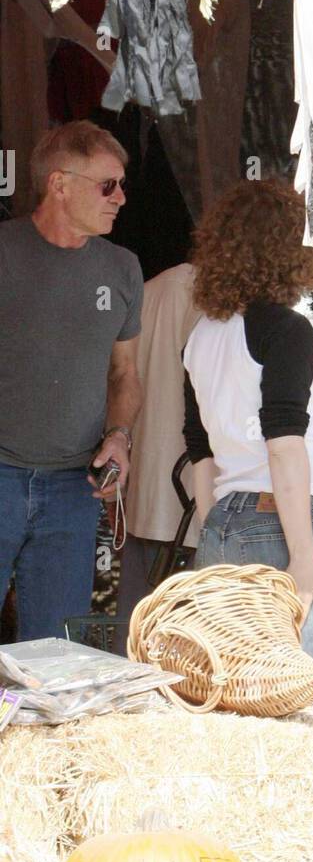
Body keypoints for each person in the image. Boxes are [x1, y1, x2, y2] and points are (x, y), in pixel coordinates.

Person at [182, 178, 313, 700]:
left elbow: (200, 450)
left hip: (225, 518)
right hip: (292, 521)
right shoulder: (287, 329)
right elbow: (284, 443)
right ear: (292, 253)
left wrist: (215, 526)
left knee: (237, 697)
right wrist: (304, 557)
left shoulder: (202, 335)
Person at [0, 120, 143, 640]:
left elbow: (125, 373)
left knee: (53, 654)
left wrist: (120, 437)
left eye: (122, 184)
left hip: (72, 487)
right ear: (59, 184)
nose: (121, 198)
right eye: (108, 185)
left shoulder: (123, 269)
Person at [117, 263, 201, 630]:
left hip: (145, 492)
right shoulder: (221, 297)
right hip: (200, 494)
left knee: (137, 626)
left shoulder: (145, 293)